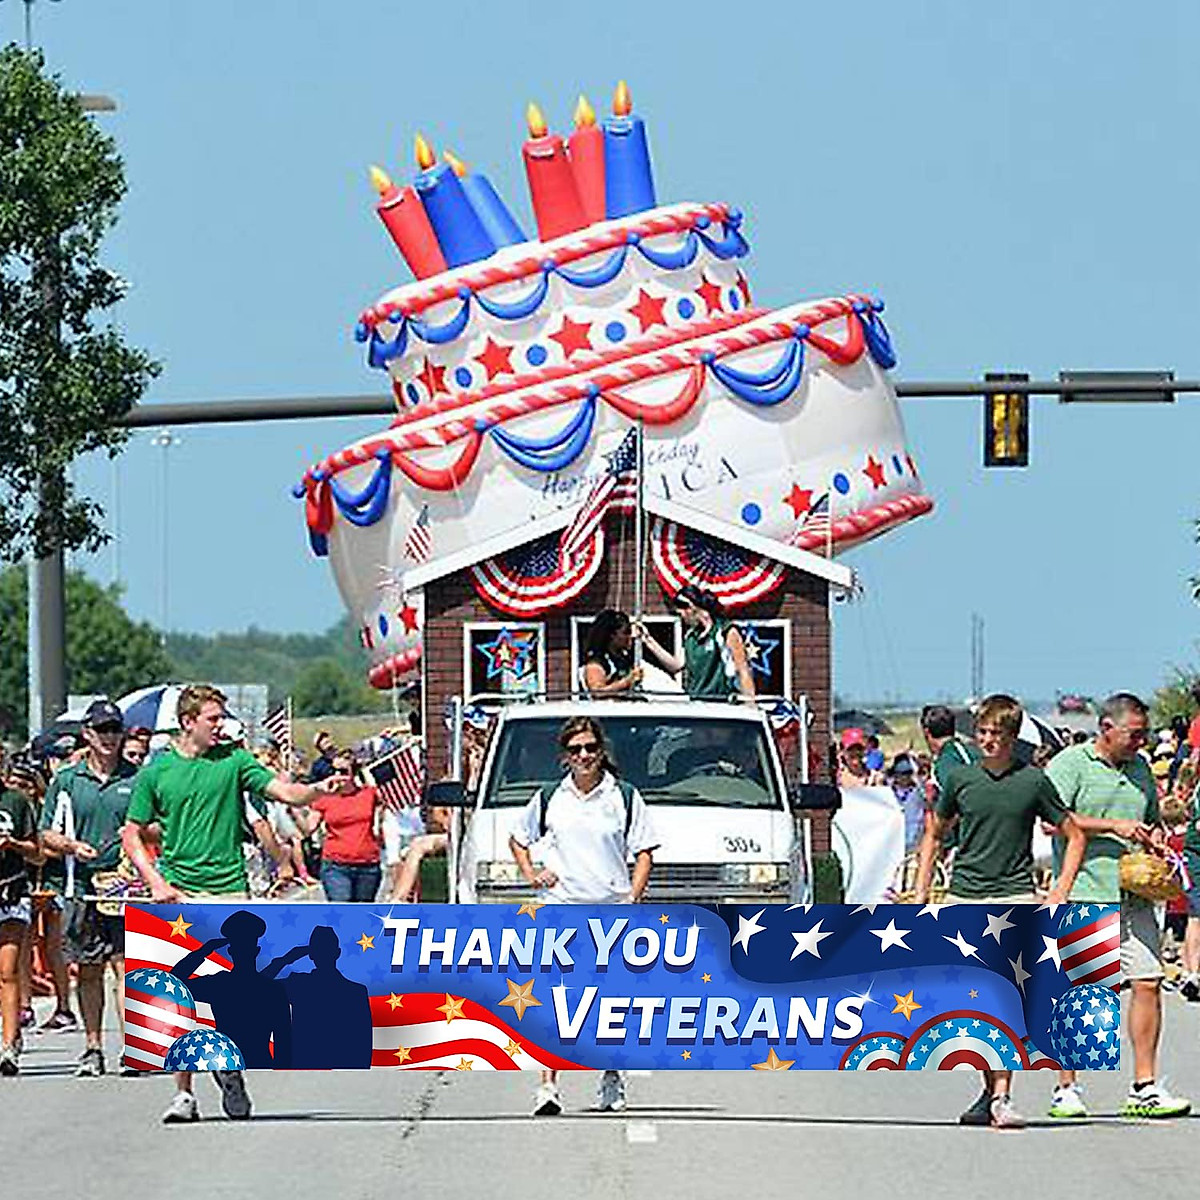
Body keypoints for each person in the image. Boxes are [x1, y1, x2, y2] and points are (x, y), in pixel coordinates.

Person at [121, 683, 329, 1124]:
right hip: (177, 891)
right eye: (213, 719)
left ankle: (227, 1064)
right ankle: (184, 1094)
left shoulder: (235, 761)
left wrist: (321, 788)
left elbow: (286, 794)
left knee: (226, 1000)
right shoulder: (156, 771)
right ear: (188, 722)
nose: (221, 726)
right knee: (178, 998)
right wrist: (154, 881)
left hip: (229, 890)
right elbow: (131, 831)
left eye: (221, 718)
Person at [914, 694, 1086, 1130]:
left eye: (997, 735)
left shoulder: (1033, 782)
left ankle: (1003, 1096)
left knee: (1002, 999)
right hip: (965, 896)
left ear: (1013, 738)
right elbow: (934, 834)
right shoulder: (960, 780)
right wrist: (919, 894)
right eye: (983, 734)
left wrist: (1060, 890)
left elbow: (1073, 834)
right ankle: (988, 1092)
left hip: (1013, 896)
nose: (988, 742)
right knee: (973, 1005)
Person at [1042, 693, 1190, 1119]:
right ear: (1107, 727)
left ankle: (1144, 1085)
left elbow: (1150, 818)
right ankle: (1067, 1087)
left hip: (1136, 893)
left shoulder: (1141, 768)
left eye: (1144, 734)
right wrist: (1113, 826)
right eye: (1134, 734)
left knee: (1148, 982)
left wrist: (1154, 836)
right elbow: (1053, 819)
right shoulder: (1072, 764)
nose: (1141, 742)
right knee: (1086, 992)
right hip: (1088, 888)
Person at [509, 716, 658, 1117]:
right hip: (560, 908)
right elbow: (518, 839)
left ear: (601, 751)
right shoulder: (549, 797)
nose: (584, 756)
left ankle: (611, 1076)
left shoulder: (623, 796)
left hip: (609, 911)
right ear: (564, 756)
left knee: (608, 1002)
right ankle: (548, 1086)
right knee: (558, 1001)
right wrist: (531, 873)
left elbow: (644, 852)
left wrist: (633, 897)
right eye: (575, 750)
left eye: (590, 748)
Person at [37, 699, 138, 1077]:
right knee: (90, 968)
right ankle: (93, 1047)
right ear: (88, 734)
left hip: (125, 885)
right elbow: (46, 833)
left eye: (116, 729)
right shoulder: (67, 780)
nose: (111, 737)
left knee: (125, 967)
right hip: (80, 886)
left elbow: (158, 826)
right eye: (104, 729)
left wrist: (134, 836)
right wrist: (72, 847)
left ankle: (132, 1048)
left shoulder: (136, 777)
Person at [287, 749, 383, 902]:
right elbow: (308, 829)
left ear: (353, 773)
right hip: (336, 866)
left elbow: (386, 811)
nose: (338, 776)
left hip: (368, 865)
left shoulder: (369, 794)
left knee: (364, 914)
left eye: (343, 771)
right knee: (341, 909)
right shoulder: (324, 798)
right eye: (334, 771)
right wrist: (294, 812)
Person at [637, 585, 754, 700]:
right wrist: (648, 640)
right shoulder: (691, 636)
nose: (682, 618)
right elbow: (676, 665)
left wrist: (750, 704)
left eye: (681, 613)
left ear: (691, 608)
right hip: (696, 703)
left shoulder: (725, 631)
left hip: (721, 703)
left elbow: (743, 670)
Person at [0, 760, 43, 1076]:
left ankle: (10, 1044)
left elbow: (37, 852)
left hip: (10, 890)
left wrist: (11, 843)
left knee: (8, 971)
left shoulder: (15, 801)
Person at [579, 609, 643, 696]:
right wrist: (626, 682)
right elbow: (596, 693)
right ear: (611, 635)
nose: (630, 636)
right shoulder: (596, 663)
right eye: (626, 632)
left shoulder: (625, 660)